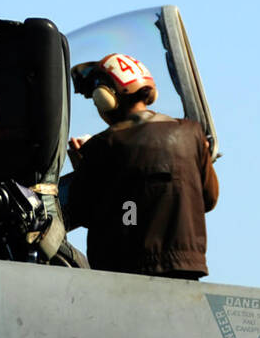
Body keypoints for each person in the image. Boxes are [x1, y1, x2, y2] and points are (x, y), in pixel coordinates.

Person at [60, 53, 219, 279]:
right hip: (186, 268)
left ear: (105, 97)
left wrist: (81, 166)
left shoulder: (103, 146)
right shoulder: (192, 133)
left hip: (124, 272)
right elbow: (209, 199)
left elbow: (82, 212)